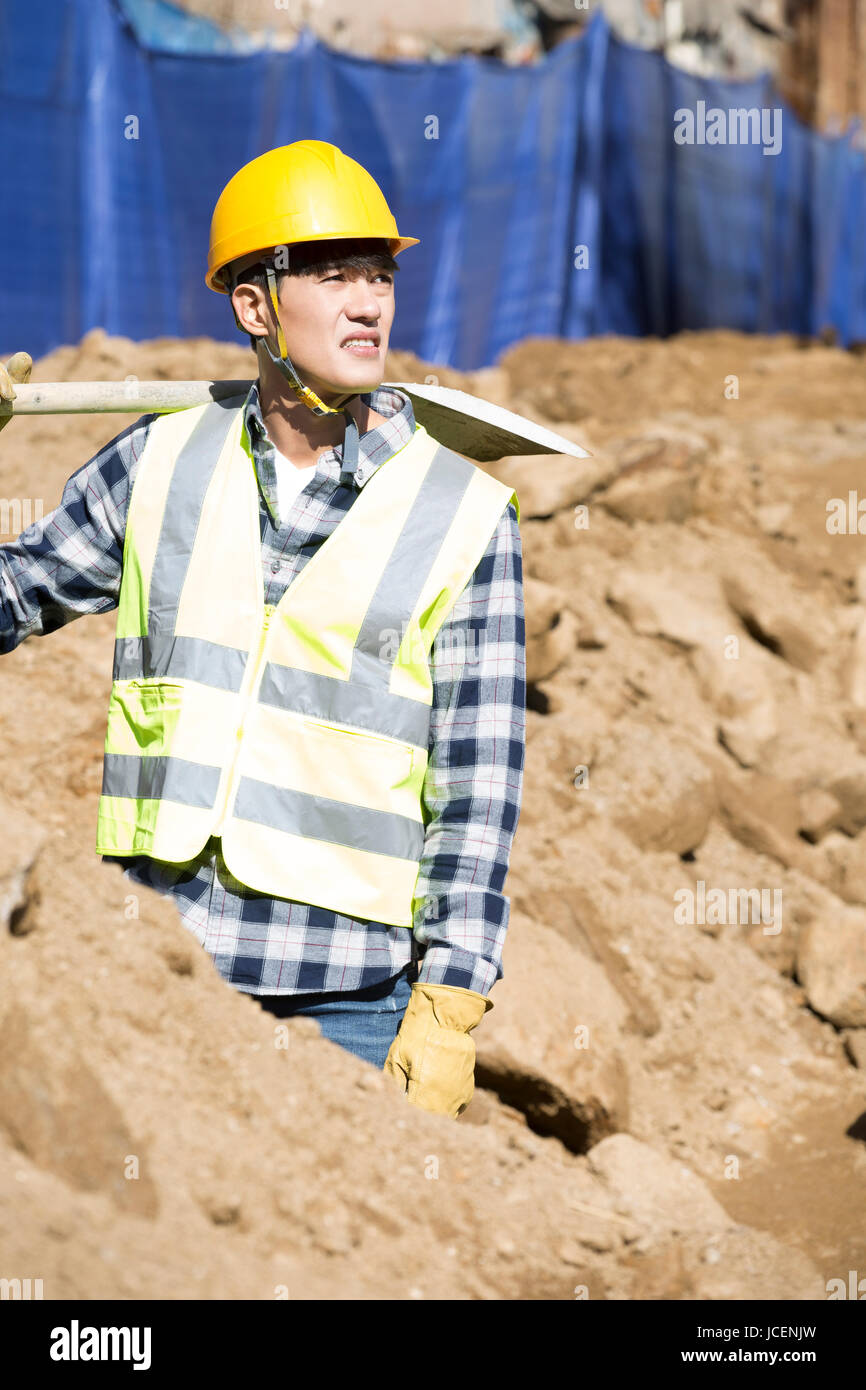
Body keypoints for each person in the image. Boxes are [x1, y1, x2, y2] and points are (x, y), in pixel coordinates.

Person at [0, 140, 526, 1119]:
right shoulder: (156, 462)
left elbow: (477, 790)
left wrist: (449, 1005)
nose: (369, 302)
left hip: (349, 999)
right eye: (333, 277)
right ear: (254, 306)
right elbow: (13, 595)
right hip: (156, 967)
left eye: (379, 276)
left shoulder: (462, 515)